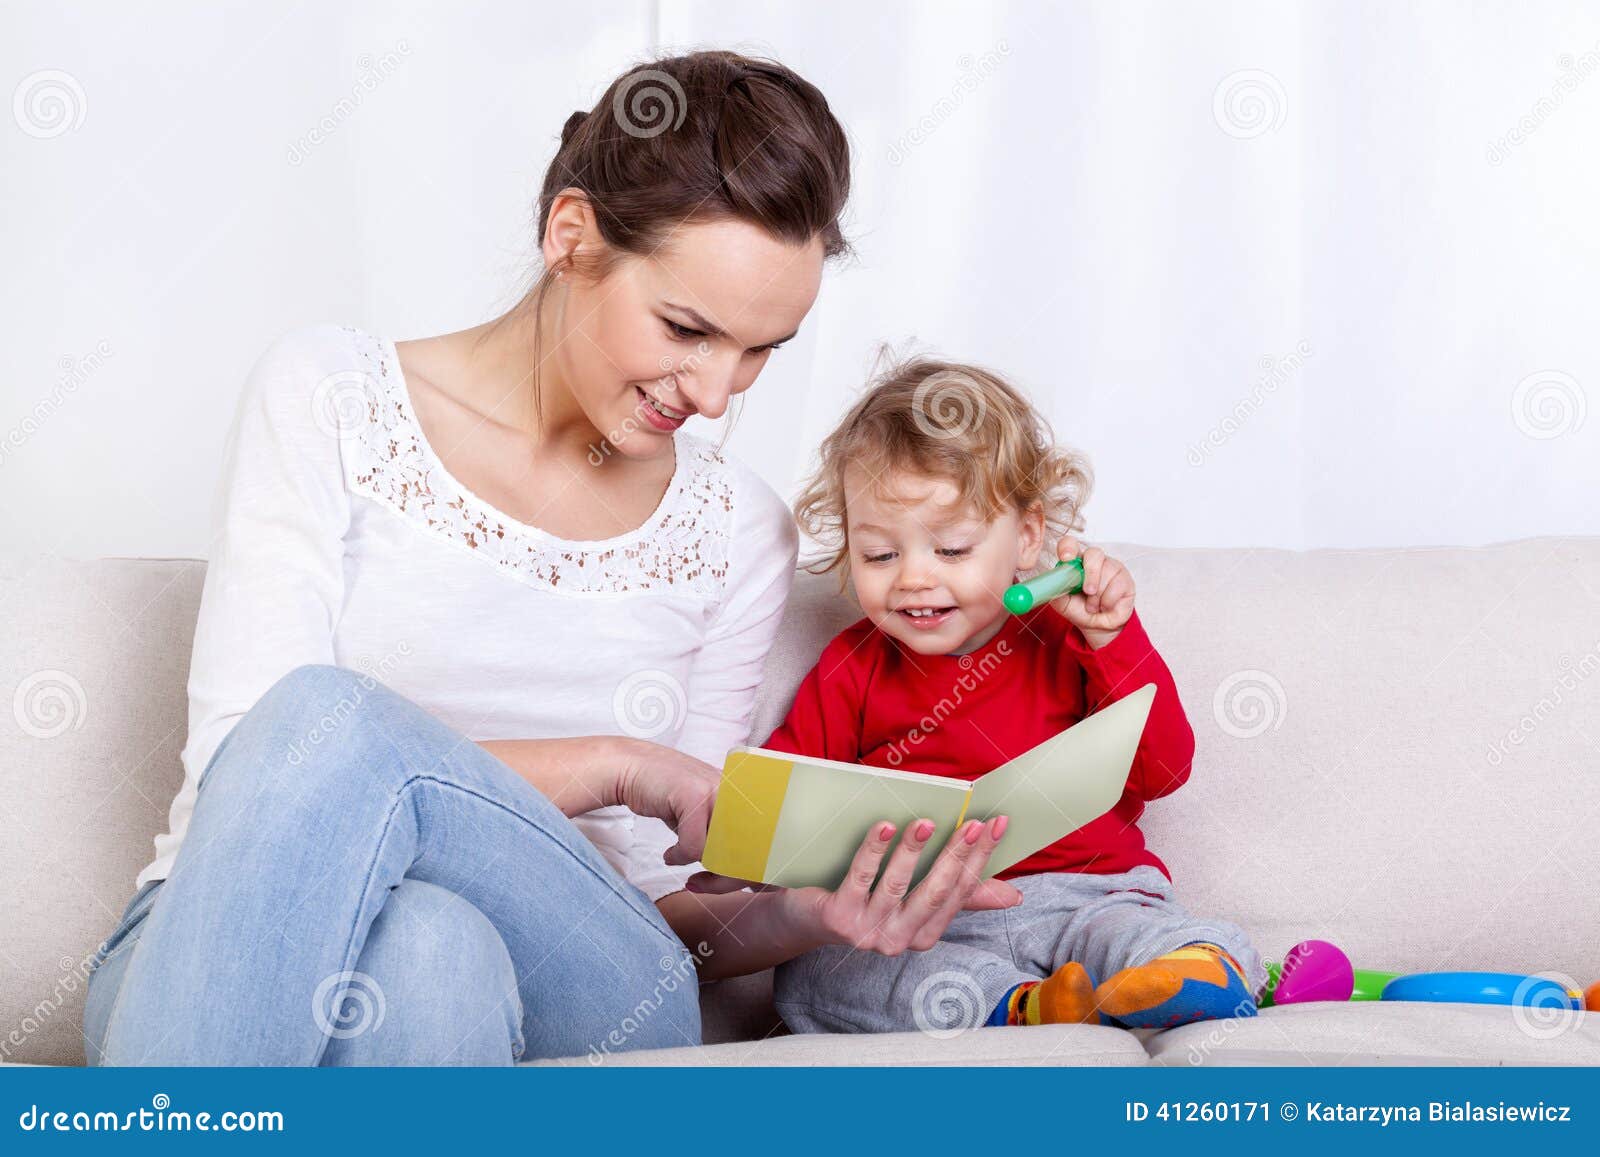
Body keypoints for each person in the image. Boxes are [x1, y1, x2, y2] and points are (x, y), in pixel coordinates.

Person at [82, 51, 1018, 1067]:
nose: (714, 394)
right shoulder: (328, 398)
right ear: (570, 235)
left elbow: (675, 911)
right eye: (686, 328)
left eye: (758, 350)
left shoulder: (736, 526)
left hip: (590, 973)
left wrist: (806, 913)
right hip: (219, 939)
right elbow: (256, 777)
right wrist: (613, 764)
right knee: (426, 944)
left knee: (334, 733)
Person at [762, 356, 1268, 1034]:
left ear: (1026, 538)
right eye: (880, 554)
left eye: (951, 549)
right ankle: (1028, 1007)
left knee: (1146, 936)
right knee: (814, 974)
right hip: (930, 922)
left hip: (1090, 894)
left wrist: (1112, 640)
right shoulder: (851, 664)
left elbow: (1164, 770)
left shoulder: (1072, 638)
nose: (912, 577)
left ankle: (1190, 973)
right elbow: (785, 807)